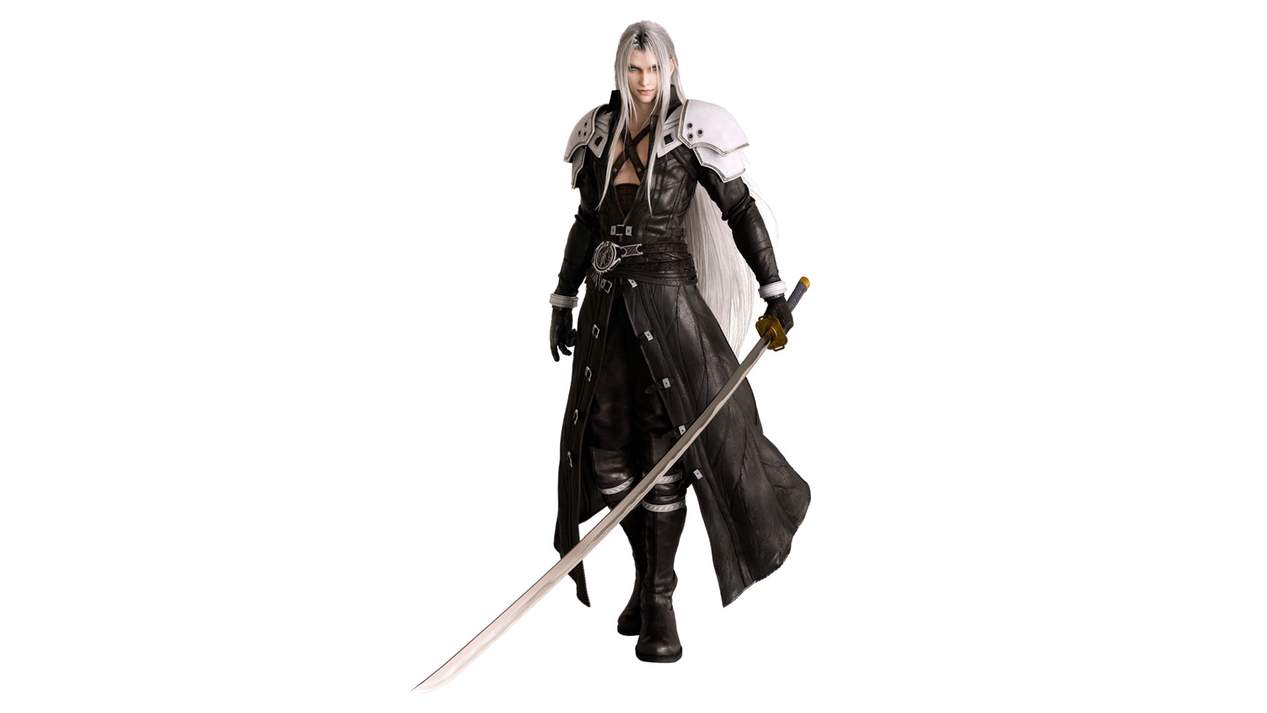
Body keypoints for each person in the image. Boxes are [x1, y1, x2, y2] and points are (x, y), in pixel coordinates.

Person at [548, 20, 810, 664]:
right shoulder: (598, 133)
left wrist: (773, 289)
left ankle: (660, 601)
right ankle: (645, 581)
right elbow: (586, 223)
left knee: (664, 453)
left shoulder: (693, 130)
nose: (643, 81)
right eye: (633, 69)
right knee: (607, 459)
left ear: (669, 68)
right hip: (608, 315)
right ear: (621, 69)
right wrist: (562, 297)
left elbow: (739, 209)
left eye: (653, 69)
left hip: (669, 312)